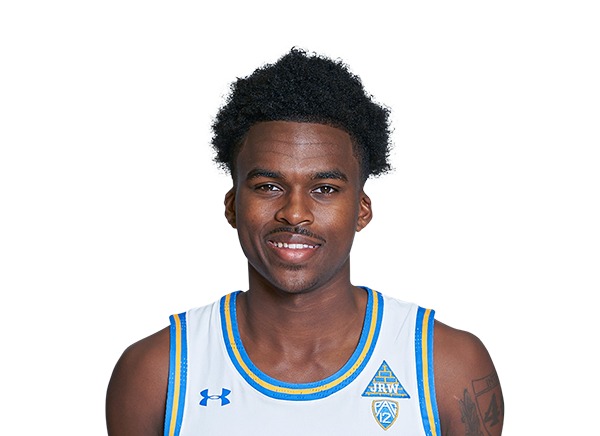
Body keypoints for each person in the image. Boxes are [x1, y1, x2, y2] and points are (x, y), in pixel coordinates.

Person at [106, 46, 504, 436]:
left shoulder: (446, 368)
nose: (294, 213)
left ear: (363, 209)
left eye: (325, 189)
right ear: (231, 205)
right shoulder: (157, 373)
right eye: (268, 186)